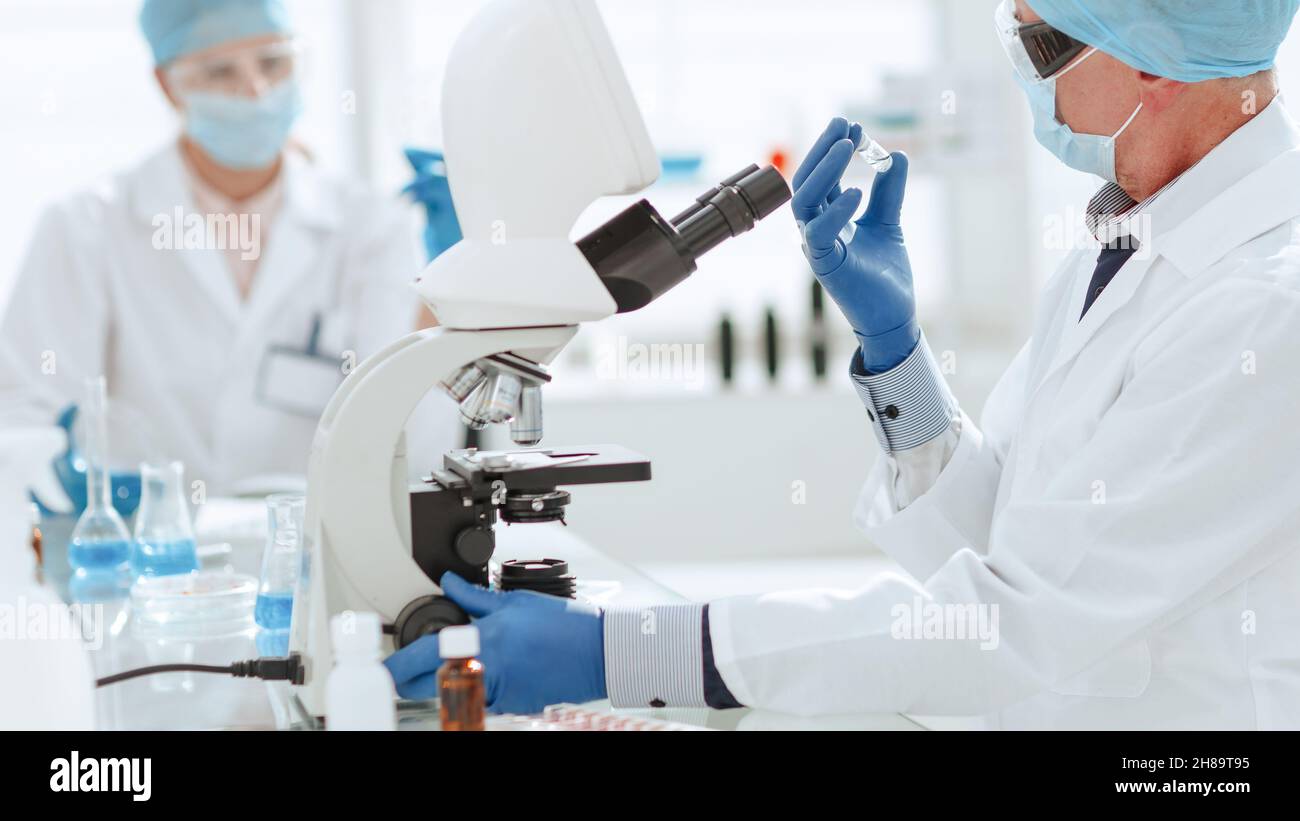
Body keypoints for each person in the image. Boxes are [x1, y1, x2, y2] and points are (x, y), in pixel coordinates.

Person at [385, 0, 1300, 729]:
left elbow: (1011, 616)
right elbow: (1009, 540)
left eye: (1045, 46)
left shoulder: (1261, 308)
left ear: (1152, 60)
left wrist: (626, 653)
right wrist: (896, 354)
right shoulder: (1130, 237)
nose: (1029, 85)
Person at [0, 0, 458, 499]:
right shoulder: (86, 226)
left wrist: (448, 296)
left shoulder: (369, 225)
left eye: (272, 62)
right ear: (167, 85)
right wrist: (80, 506)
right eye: (220, 72)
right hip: (150, 556)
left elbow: (407, 440)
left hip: (315, 548)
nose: (256, 92)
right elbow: (30, 412)